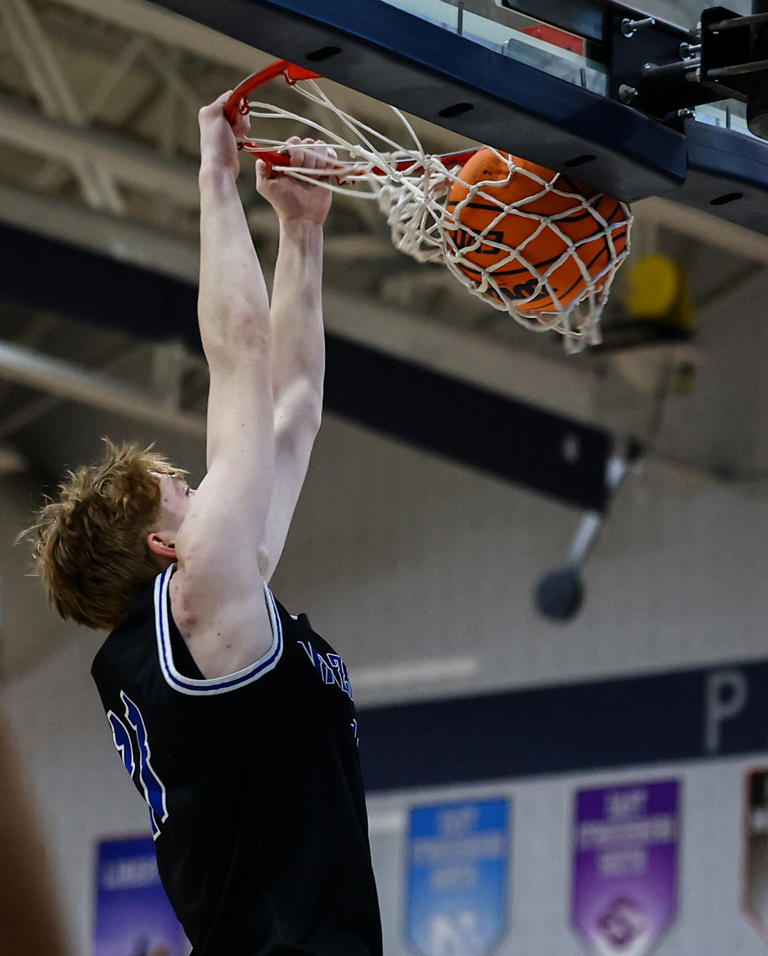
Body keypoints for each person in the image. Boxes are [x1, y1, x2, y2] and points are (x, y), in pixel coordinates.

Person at [23, 92, 383, 955]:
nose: (200, 479)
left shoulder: (219, 617)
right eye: (178, 488)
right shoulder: (199, 602)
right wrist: (216, 178)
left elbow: (293, 406)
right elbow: (242, 353)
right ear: (164, 546)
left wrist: (303, 233)